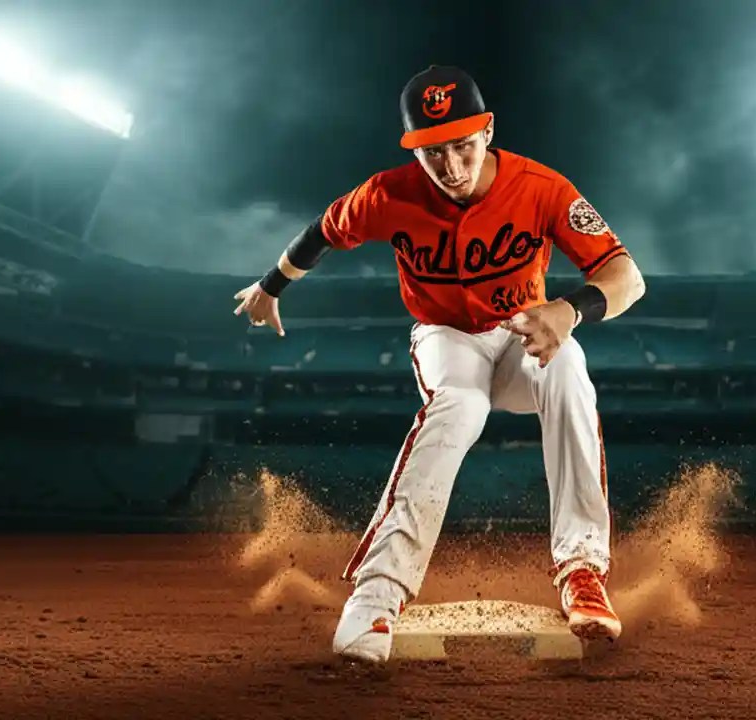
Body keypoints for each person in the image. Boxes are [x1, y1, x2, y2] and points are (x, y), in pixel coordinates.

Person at [232, 65, 646, 663]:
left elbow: (627, 277)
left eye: (463, 145)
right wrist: (272, 286)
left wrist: (572, 310)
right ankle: (376, 598)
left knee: (569, 368)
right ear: (414, 151)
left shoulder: (542, 187)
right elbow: (321, 231)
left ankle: (582, 571)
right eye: (433, 152)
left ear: (489, 131)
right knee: (459, 407)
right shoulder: (388, 194)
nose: (451, 166)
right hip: (446, 335)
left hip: (522, 330)